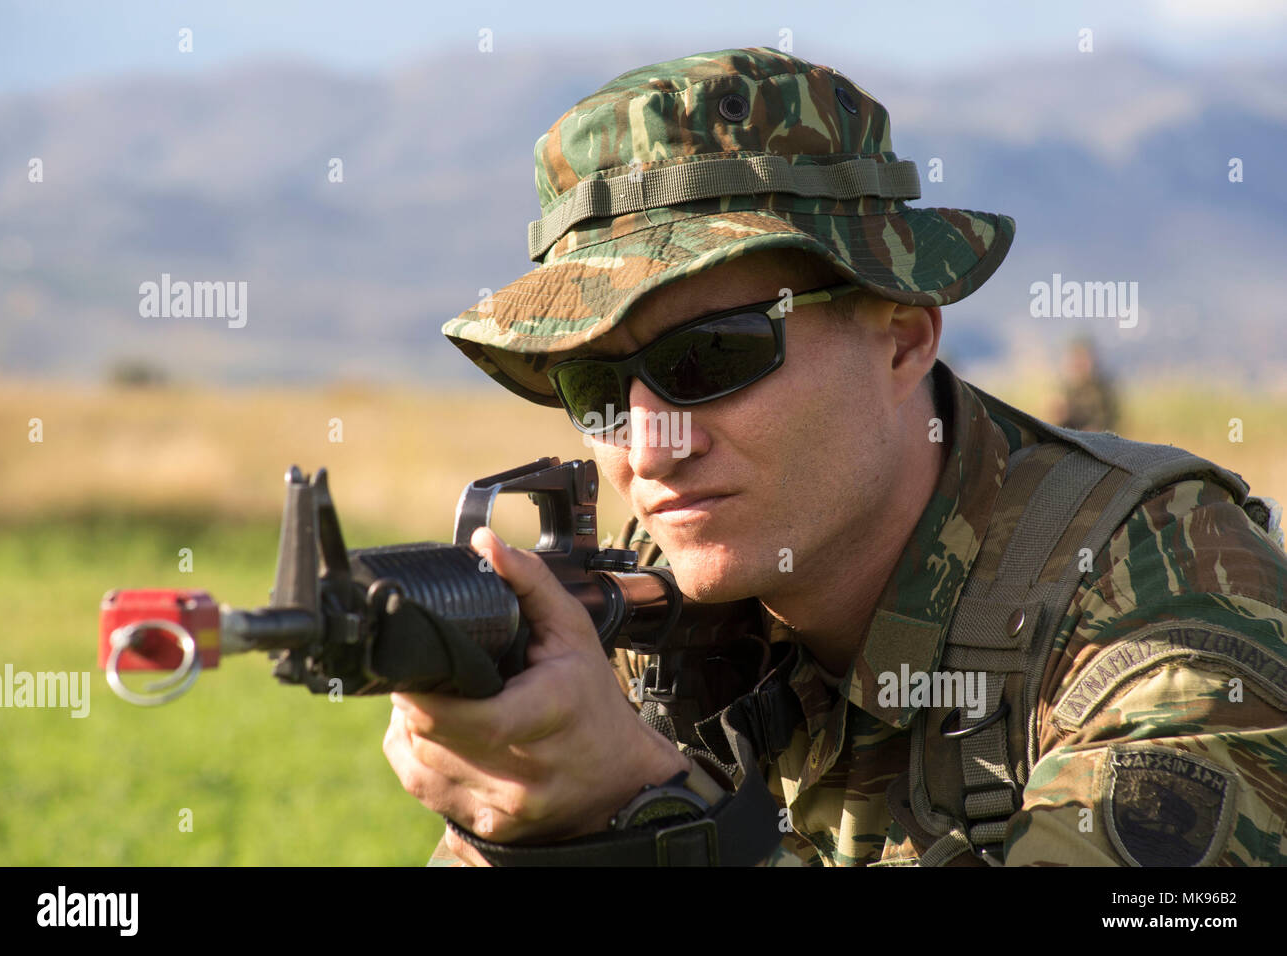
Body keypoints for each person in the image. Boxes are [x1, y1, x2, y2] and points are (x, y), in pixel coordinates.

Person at [382, 47, 1287, 867]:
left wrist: (645, 813)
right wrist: (516, 826)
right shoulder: (652, 608)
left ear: (900, 340)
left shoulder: (1162, 595)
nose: (651, 444)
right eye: (598, 392)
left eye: (711, 358)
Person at [1050, 335, 1120, 432]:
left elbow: (1109, 418)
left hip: (1097, 440)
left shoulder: (1101, 388)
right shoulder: (1066, 389)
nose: (1078, 364)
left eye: (1082, 358)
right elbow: (1061, 423)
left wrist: (1094, 431)